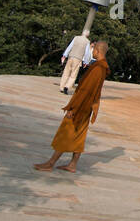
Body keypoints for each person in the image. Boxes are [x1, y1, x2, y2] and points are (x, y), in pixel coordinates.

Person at [36, 41, 109, 174]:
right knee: (79, 135)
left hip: (81, 107)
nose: (91, 52)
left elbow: (85, 91)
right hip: (86, 107)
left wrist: (73, 108)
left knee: (66, 132)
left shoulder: (98, 69)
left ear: (97, 51)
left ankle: (50, 163)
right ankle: (73, 164)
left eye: (93, 50)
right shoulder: (101, 68)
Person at [59, 31, 91, 95]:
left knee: (66, 72)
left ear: (82, 33)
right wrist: (86, 62)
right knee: (73, 75)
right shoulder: (87, 41)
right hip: (78, 59)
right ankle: (67, 87)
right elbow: (87, 53)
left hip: (71, 57)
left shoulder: (76, 38)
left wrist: (64, 55)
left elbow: (70, 47)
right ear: (88, 35)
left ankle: (61, 87)